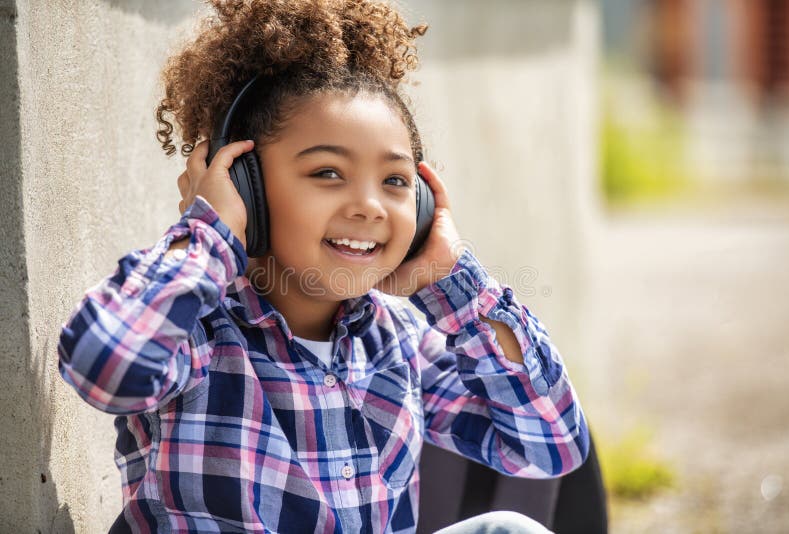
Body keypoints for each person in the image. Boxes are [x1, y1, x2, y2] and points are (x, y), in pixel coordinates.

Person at [57, 1, 590, 532]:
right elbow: (102, 366)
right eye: (328, 172)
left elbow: (550, 446)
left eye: (395, 181)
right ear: (246, 186)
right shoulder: (195, 335)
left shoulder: (399, 340)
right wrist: (208, 234)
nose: (369, 205)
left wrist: (453, 282)